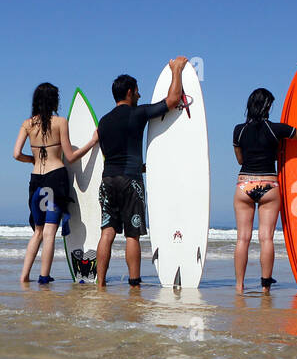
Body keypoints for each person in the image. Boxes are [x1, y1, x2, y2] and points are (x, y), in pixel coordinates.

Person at [94, 56, 189, 288]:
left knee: (107, 231)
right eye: (137, 91)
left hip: (107, 180)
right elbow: (173, 100)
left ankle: (101, 282)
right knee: (131, 234)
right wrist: (176, 70)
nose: (139, 95)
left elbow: (112, 153)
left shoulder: (104, 122)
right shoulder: (137, 114)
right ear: (129, 92)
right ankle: (134, 282)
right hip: (130, 182)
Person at [232, 86, 297, 293]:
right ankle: (265, 287)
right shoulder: (277, 129)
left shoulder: (239, 130)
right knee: (266, 238)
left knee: (242, 238)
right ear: (268, 107)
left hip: (244, 184)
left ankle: (239, 286)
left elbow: (240, 159)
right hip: (269, 185)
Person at [13, 82, 99, 284]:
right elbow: (71, 155)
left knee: (38, 232)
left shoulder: (27, 124)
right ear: (53, 100)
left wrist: (32, 159)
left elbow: (16, 154)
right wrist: (92, 142)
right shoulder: (60, 122)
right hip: (55, 179)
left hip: (36, 182)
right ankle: (44, 277)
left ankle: (24, 276)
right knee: (50, 232)